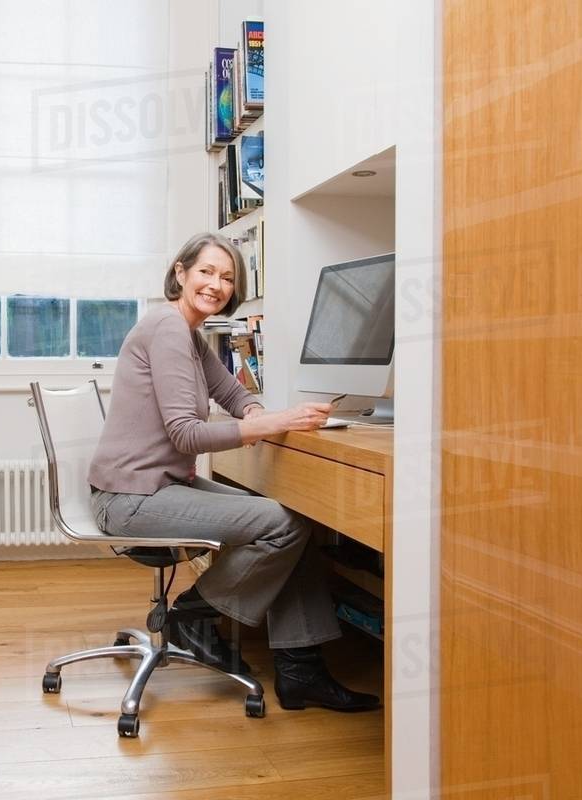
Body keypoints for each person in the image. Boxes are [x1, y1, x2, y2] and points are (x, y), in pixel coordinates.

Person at [88, 231, 379, 712]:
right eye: (206, 272)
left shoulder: (189, 334)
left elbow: (234, 394)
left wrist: (255, 410)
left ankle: (300, 672)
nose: (216, 285)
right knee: (282, 525)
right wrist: (275, 422)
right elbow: (185, 434)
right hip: (131, 500)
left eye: (227, 277)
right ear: (180, 273)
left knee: (292, 520)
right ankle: (194, 614)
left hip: (156, 487)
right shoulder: (166, 330)